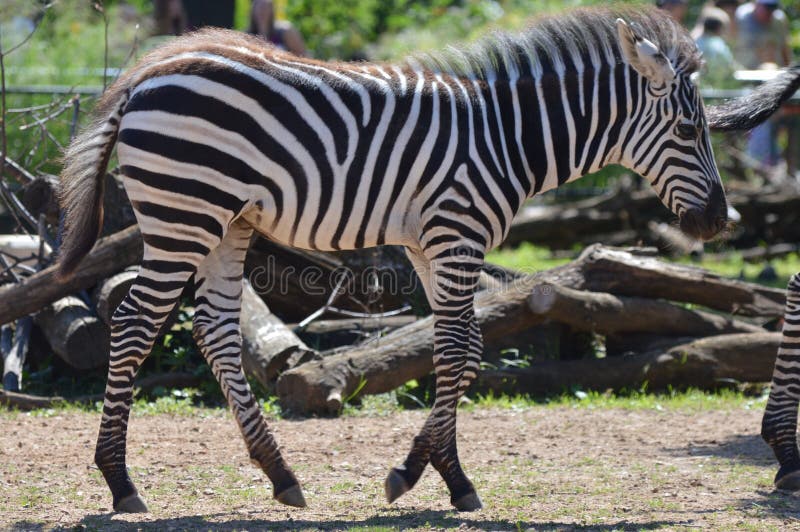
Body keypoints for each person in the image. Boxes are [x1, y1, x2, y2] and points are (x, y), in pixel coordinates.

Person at [734, 0, 791, 70]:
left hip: (774, 72)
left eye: (772, 9)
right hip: (746, 71)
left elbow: (784, 46)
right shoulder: (741, 17)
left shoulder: (779, 19)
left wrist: (788, 69)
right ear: (756, 5)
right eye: (766, 8)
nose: (769, 13)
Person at [695, 7, 739, 87]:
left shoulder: (695, 42)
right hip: (718, 87)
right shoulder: (719, 45)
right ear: (719, 28)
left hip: (700, 86)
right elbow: (730, 66)